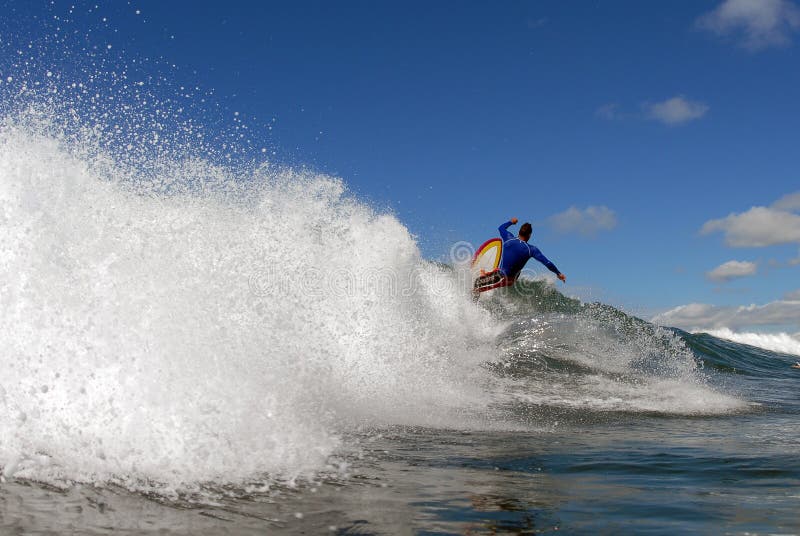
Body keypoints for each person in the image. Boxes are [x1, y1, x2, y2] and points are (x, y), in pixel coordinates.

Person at [473, 218, 566, 294]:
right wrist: (558, 273)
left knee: (477, 283)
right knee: (499, 271)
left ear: (519, 232)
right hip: (512, 279)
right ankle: (488, 274)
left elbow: (501, 228)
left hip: (501, 276)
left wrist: (511, 222)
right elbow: (547, 263)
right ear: (529, 235)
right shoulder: (532, 249)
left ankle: (473, 308)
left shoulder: (509, 239)